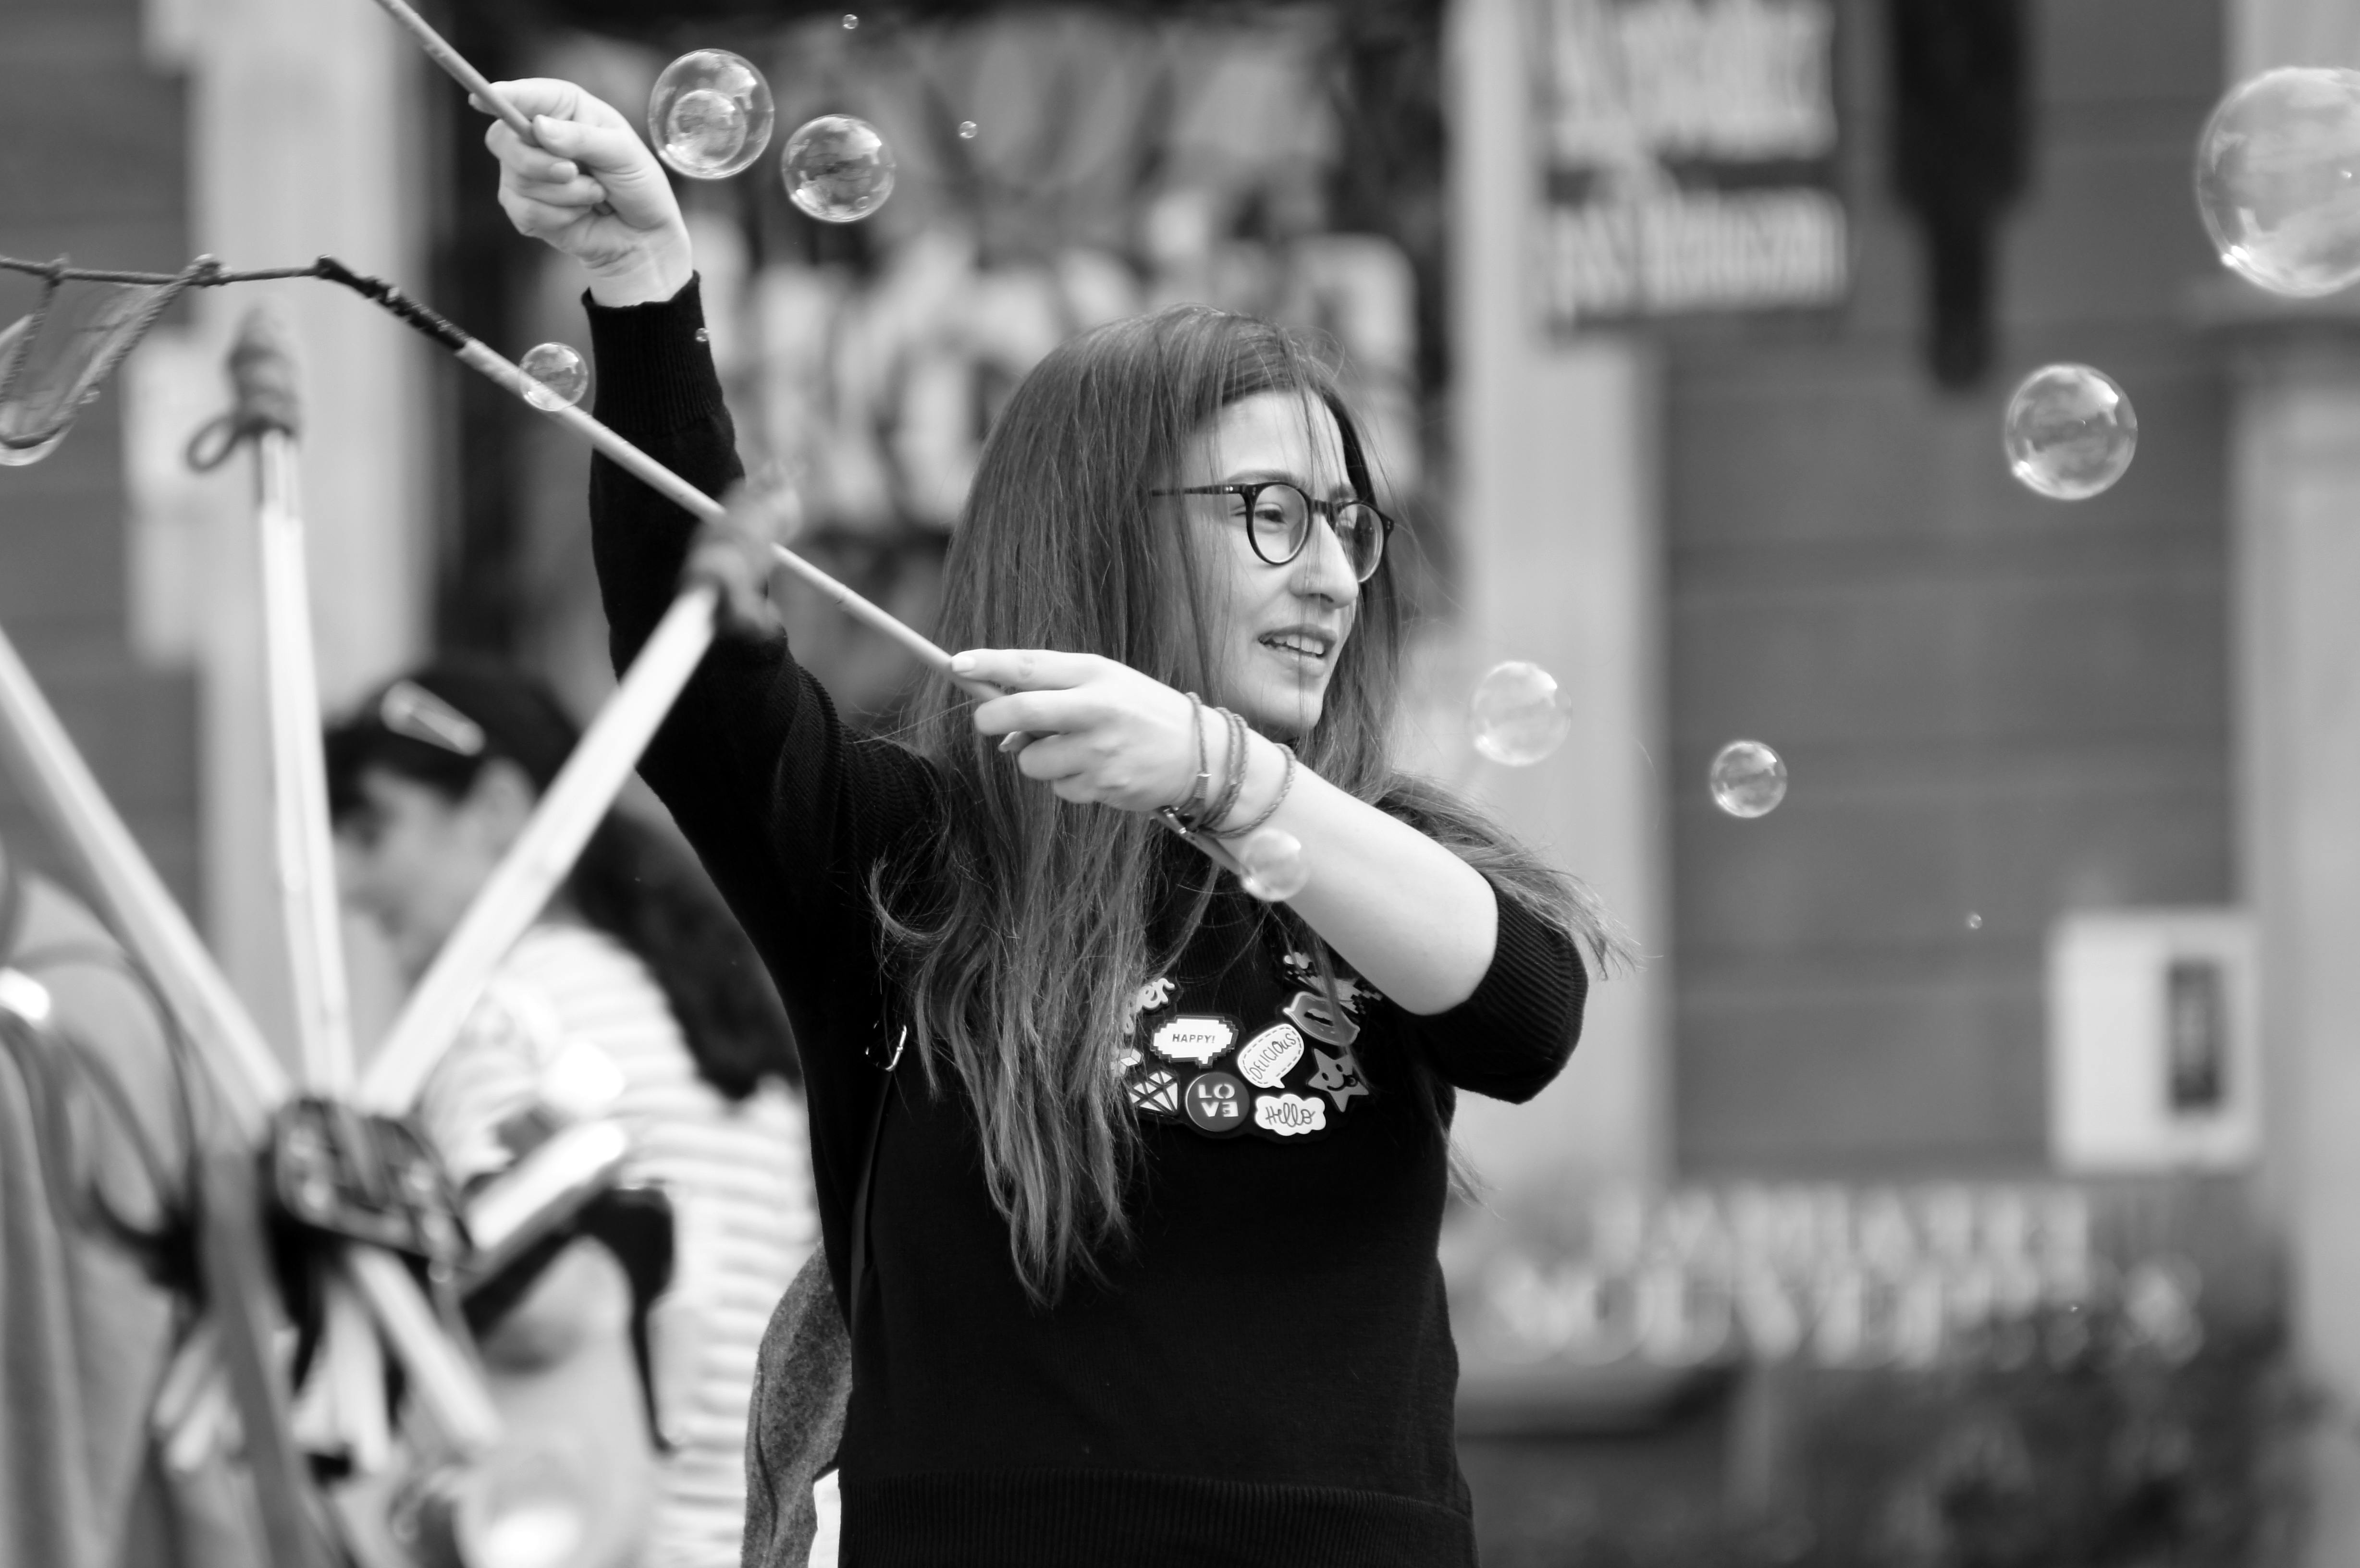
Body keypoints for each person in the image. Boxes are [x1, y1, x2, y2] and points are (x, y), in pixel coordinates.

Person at [482, 80, 1626, 1568]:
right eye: (1271, 512)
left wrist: (1224, 775)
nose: (1333, 579)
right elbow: (699, 665)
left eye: (1351, 525)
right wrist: (647, 290)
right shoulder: (912, 860)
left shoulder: (1372, 857)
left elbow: (1527, 1015)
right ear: (1102, 525)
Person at [327, 663, 816, 1568]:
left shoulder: (502, 1018)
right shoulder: (717, 1019)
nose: (348, 882)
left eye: (371, 829)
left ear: (500, 807)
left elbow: (531, 1307)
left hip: (585, 1536)